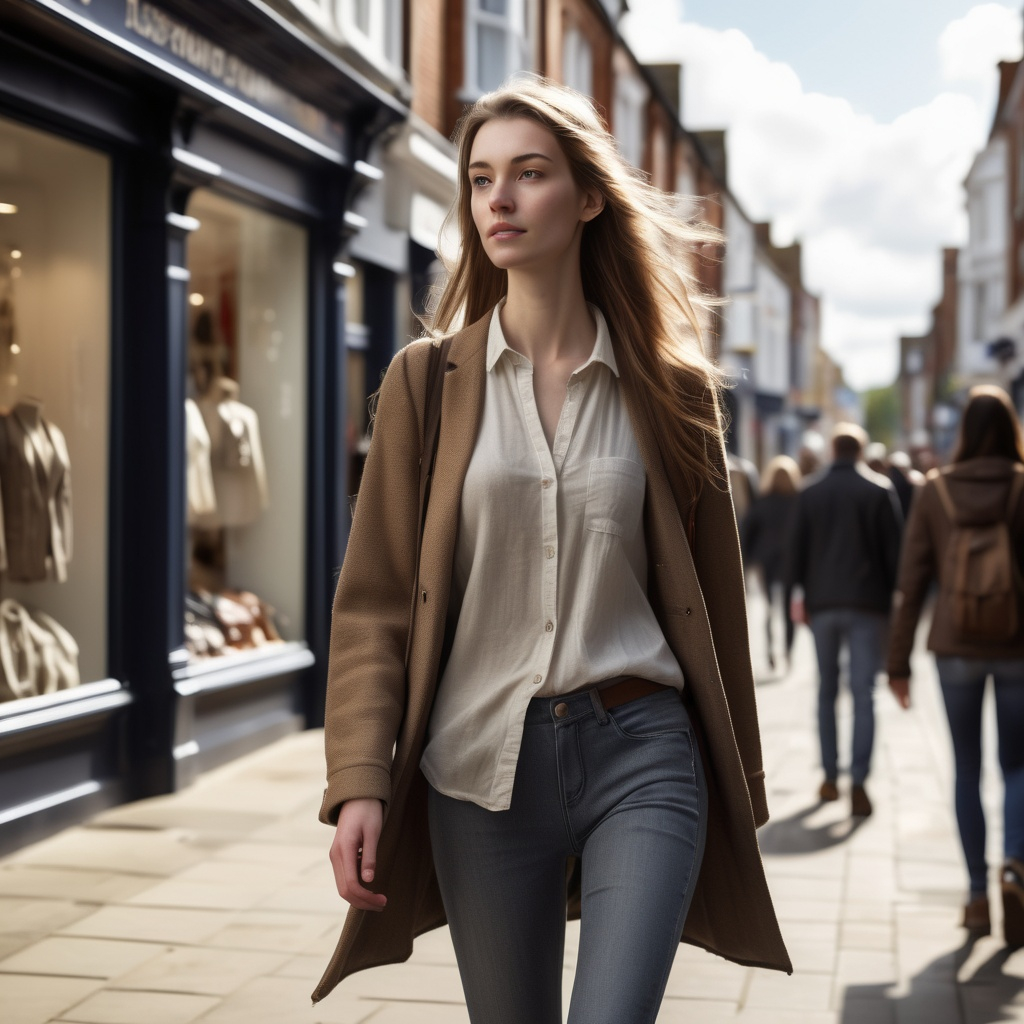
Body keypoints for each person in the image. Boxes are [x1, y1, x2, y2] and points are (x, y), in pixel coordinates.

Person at [314, 76, 790, 1022]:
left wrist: (747, 780)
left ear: (588, 197)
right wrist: (358, 780)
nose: (499, 198)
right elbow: (373, 602)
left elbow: (716, 606)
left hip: (644, 750)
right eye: (482, 177)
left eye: (529, 174)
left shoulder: (672, 391)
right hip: (478, 765)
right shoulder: (424, 383)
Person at [886, 385, 1024, 946]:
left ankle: (974, 896)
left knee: (967, 769)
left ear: (963, 430)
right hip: (1018, 646)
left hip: (954, 648)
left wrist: (898, 663)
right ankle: (1014, 866)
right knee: (1017, 766)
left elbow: (911, 581)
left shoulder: (936, 491)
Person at [787, 422, 902, 817]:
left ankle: (830, 777)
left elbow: (795, 552)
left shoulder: (810, 492)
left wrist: (796, 596)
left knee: (826, 691)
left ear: (833, 451)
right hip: (868, 605)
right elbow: (894, 558)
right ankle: (859, 782)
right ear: (861, 451)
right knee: (864, 693)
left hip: (823, 604)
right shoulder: (879, 490)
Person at [741, 454, 801, 672]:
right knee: (787, 609)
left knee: (768, 608)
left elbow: (747, 531)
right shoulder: (799, 501)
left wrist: (746, 561)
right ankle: (788, 651)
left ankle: (770, 652)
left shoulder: (762, 501)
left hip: (765, 561)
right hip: (792, 561)